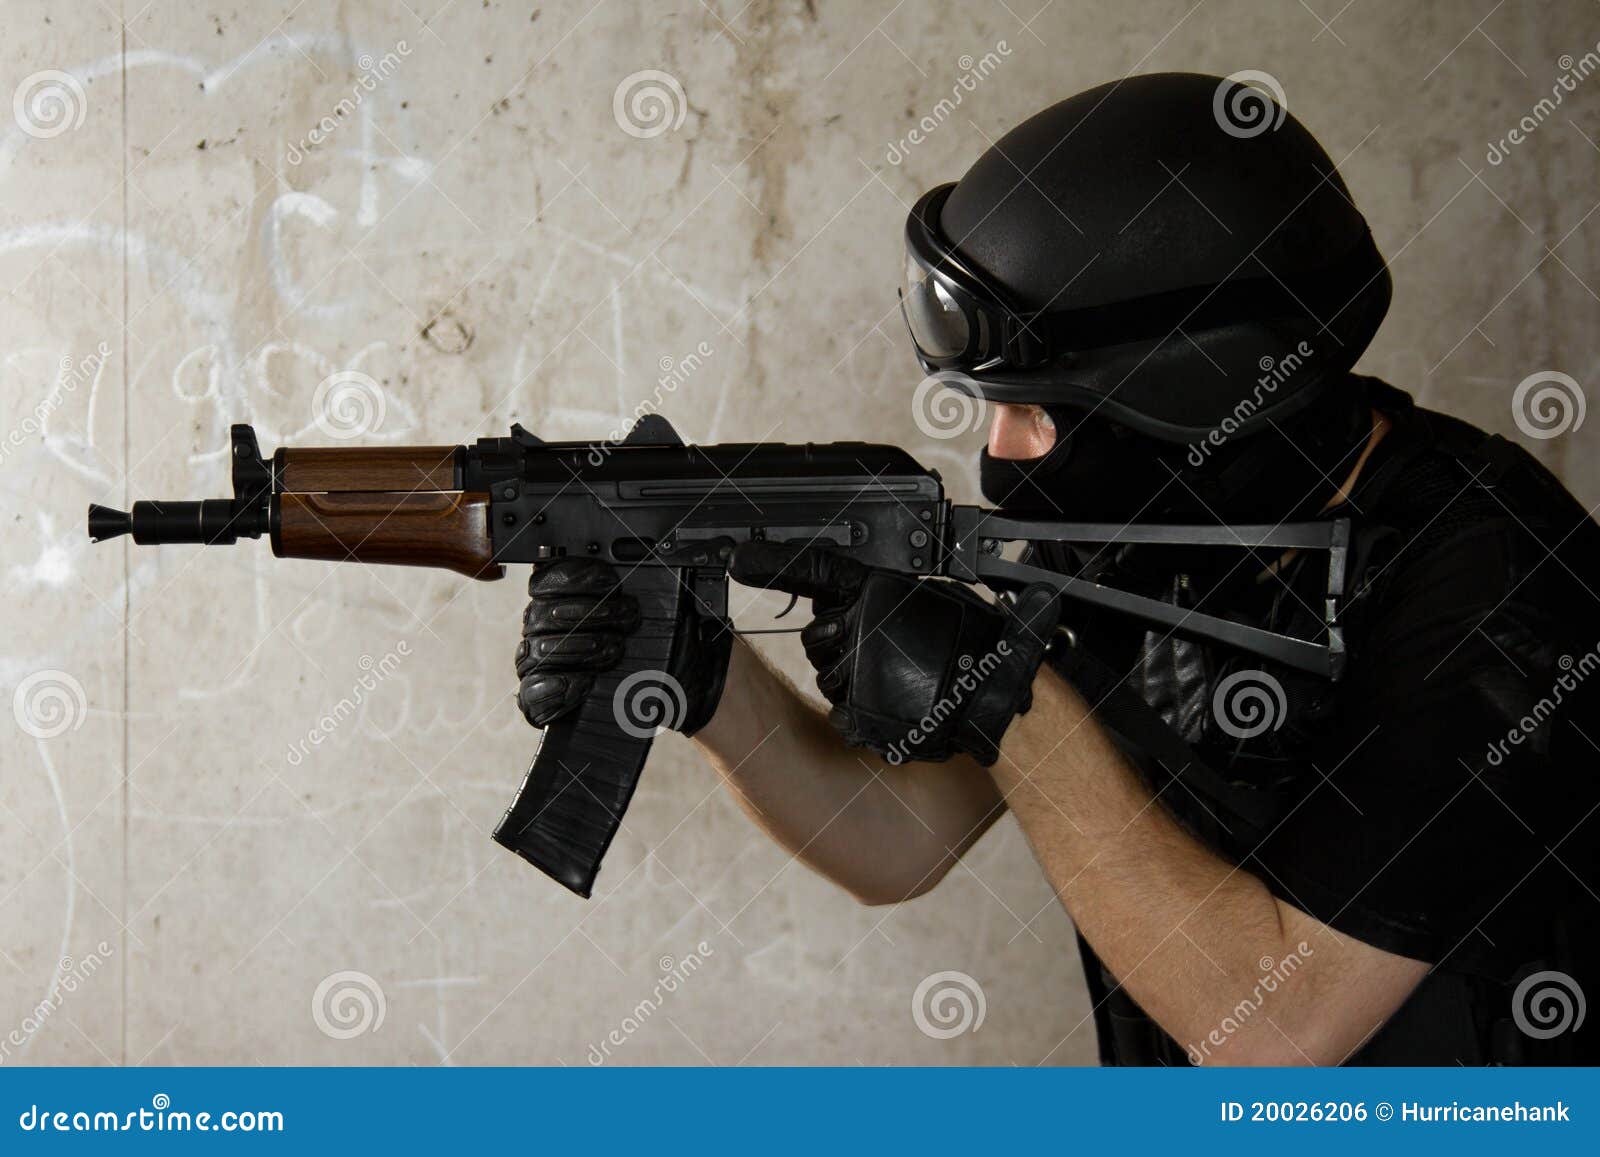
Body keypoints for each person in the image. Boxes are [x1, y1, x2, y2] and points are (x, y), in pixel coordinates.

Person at [514, 73, 1600, 1065]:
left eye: (1037, 408)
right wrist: (707, 687)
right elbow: (899, 843)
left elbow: (1280, 1025)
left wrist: (1007, 706)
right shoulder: (1132, 524)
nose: (1000, 454)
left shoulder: (1493, 582)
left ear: (1195, 392)